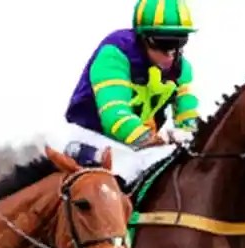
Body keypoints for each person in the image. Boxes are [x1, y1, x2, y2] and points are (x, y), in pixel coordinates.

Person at [58, 0, 202, 188]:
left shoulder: (182, 69)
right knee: (130, 166)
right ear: (143, 38)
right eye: (163, 44)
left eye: (178, 42)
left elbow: (188, 115)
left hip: (139, 144)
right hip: (92, 133)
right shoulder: (114, 54)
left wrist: (193, 133)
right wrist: (162, 138)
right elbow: (114, 116)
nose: (170, 54)